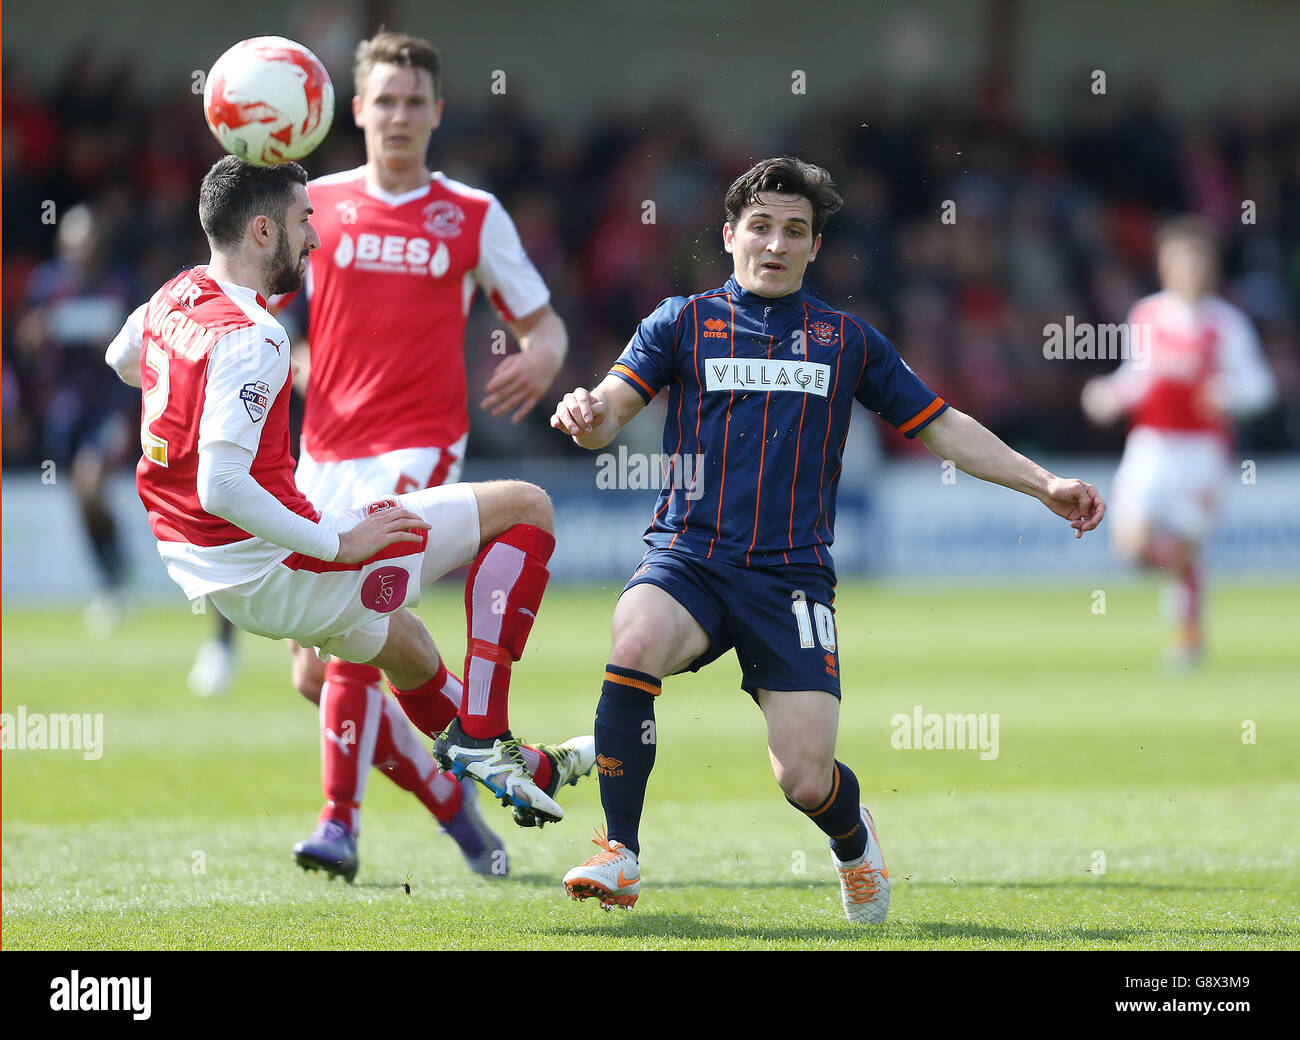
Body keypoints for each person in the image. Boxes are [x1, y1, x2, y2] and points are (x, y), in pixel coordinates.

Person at [550, 157, 1106, 923]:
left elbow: (942, 427)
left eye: (795, 231)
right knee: (636, 635)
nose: (776, 243)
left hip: (791, 581)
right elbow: (609, 410)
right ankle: (620, 853)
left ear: (815, 249)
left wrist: (1043, 483)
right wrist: (587, 417)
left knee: (804, 778)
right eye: (762, 227)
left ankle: (855, 842)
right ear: (730, 236)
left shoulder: (847, 342)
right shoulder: (681, 321)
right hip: (691, 556)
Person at [106, 155, 578, 884]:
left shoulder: (174, 296)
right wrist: (340, 541)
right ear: (263, 231)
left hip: (209, 568)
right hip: (280, 563)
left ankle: (498, 769)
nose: (315, 240)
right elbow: (223, 486)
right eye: (302, 222)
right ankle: (482, 736)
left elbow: (122, 356)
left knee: (408, 651)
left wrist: (185, 389)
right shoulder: (256, 338)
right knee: (528, 509)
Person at [204, 30, 590, 878]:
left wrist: (541, 356)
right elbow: (252, 299)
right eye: (385, 100)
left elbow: (546, 322)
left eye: (416, 101)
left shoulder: (473, 214)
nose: (400, 115)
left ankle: (338, 824)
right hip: (319, 451)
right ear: (353, 110)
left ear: (438, 111)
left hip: (418, 443)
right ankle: (461, 807)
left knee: (356, 617)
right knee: (318, 675)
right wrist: (286, 362)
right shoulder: (317, 201)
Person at [1082, 217, 1276, 668]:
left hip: (1203, 452)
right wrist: (1110, 395)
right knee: (1129, 546)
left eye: (1197, 260)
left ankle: (1188, 631)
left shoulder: (1227, 324)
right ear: (1164, 265)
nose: (1189, 269)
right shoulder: (1147, 314)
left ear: (1210, 267)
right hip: (1151, 444)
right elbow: (1139, 375)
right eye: (1179, 260)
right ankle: (1187, 586)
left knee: (1188, 540)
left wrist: (1232, 395)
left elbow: (1261, 385)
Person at [17, 203, 140, 634]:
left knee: (90, 481)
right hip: (66, 408)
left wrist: (116, 341)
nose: (83, 250)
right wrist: (39, 333)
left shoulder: (120, 283)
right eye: (76, 242)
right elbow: (26, 342)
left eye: (90, 241)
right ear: (63, 244)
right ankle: (114, 569)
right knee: (82, 498)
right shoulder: (48, 284)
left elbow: (144, 336)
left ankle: (114, 575)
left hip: (110, 405)